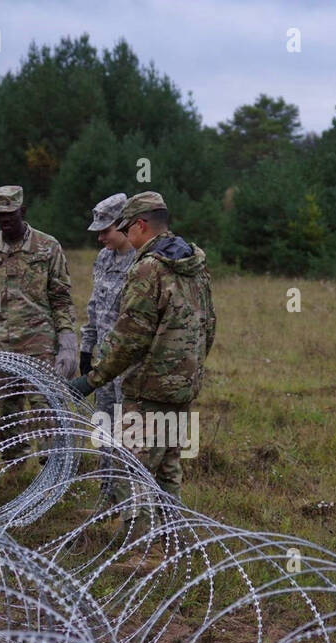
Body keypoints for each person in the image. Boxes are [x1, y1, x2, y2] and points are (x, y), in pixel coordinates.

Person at [68, 191, 217, 518]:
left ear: (140, 225)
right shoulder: (193, 263)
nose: (124, 235)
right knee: (168, 468)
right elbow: (209, 324)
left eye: (125, 228)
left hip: (148, 388)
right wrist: (187, 369)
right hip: (183, 386)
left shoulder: (148, 268)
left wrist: (92, 379)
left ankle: (138, 543)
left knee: (130, 470)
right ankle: (172, 535)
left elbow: (130, 337)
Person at [0, 185, 77, 463]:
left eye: (9, 214)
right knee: (8, 410)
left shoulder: (47, 247)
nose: (4, 220)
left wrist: (67, 338)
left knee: (46, 406)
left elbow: (61, 296)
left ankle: (52, 467)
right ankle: (13, 468)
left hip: (40, 345)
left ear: (22, 211)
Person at [80, 192, 134, 504]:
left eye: (105, 231)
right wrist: (86, 348)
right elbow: (94, 306)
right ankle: (108, 492)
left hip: (129, 364)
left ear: (124, 225)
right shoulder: (103, 258)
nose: (100, 238)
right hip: (103, 361)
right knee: (103, 427)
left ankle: (132, 496)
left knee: (130, 431)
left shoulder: (143, 262)